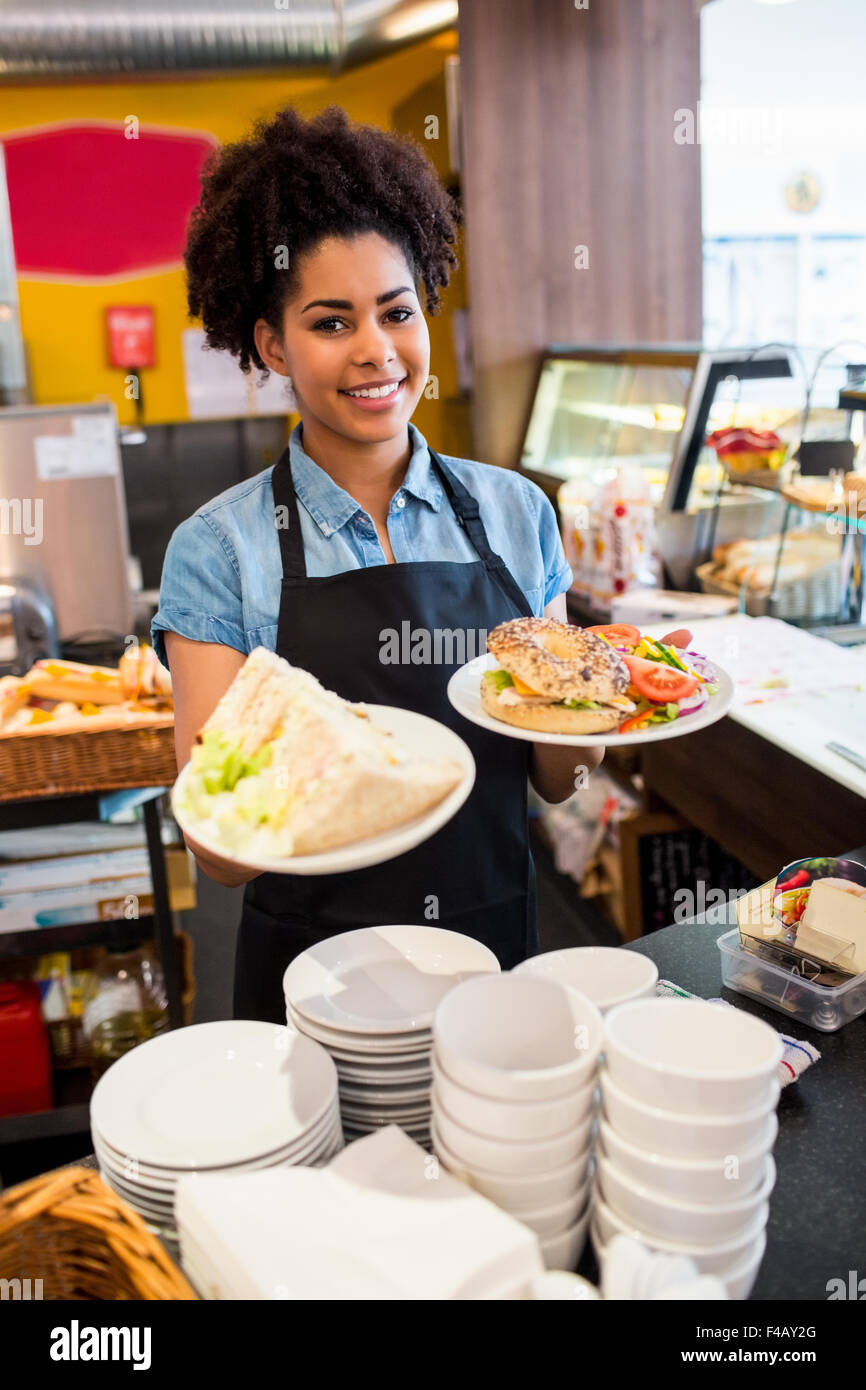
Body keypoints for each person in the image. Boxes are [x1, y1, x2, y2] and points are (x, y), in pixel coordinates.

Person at [152, 105, 689, 1025]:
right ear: (273, 345)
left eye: (397, 313)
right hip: (312, 982)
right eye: (331, 322)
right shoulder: (218, 548)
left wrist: (601, 711)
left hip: (491, 952)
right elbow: (220, 853)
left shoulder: (517, 514)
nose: (375, 351)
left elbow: (556, 781)